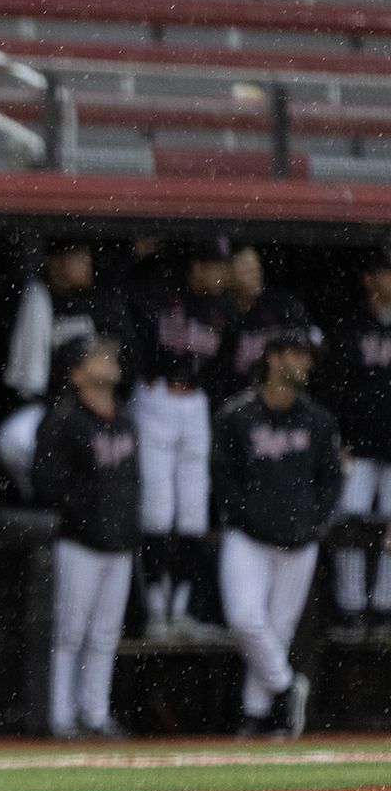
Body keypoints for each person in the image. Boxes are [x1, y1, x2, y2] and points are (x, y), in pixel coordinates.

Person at [213, 329, 344, 739]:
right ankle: (287, 687)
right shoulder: (237, 415)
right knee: (245, 620)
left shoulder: (318, 419)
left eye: (308, 355)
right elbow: (223, 477)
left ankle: (256, 714)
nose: (306, 363)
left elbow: (331, 479)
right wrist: (248, 514)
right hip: (248, 538)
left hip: (299, 540)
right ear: (272, 357)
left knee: (278, 630)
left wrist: (314, 519)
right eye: (297, 354)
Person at [32, 337, 140, 739]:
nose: (109, 360)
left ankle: (94, 714)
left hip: (119, 542)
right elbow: (47, 484)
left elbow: (132, 483)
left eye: (110, 355)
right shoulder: (63, 419)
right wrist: (86, 518)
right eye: (97, 357)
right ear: (76, 374)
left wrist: (125, 528)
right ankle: (60, 716)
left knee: (105, 635)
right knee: (69, 633)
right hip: (78, 541)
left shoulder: (125, 418)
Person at [130, 236, 234, 642]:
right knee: (156, 512)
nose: (220, 273)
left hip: (195, 401)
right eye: (213, 265)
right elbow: (132, 321)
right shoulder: (159, 294)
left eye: (223, 265)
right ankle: (156, 612)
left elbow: (222, 368)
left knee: (192, 514)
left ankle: (182, 609)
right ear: (195, 266)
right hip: (154, 393)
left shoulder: (221, 310)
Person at [0, 239, 134, 497]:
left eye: (87, 256)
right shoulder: (38, 297)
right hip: (51, 405)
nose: (87, 263)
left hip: (91, 407)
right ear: (56, 262)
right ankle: (42, 503)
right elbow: (27, 379)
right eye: (78, 257)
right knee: (14, 439)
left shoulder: (100, 301)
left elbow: (121, 355)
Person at [325, 242, 391, 638]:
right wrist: (339, 436)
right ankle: (350, 607)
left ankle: (384, 608)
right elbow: (335, 385)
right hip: (358, 445)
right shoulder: (350, 326)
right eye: (385, 272)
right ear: (369, 278)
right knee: (349, 520)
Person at [214, 244, 316, 404]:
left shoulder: (282, 306)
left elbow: (314, 340)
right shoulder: (221, 315)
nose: (255, 275)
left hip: (285, 401)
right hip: (241, 402)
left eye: (257, 269)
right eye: (248, 270)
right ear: (228, 273)